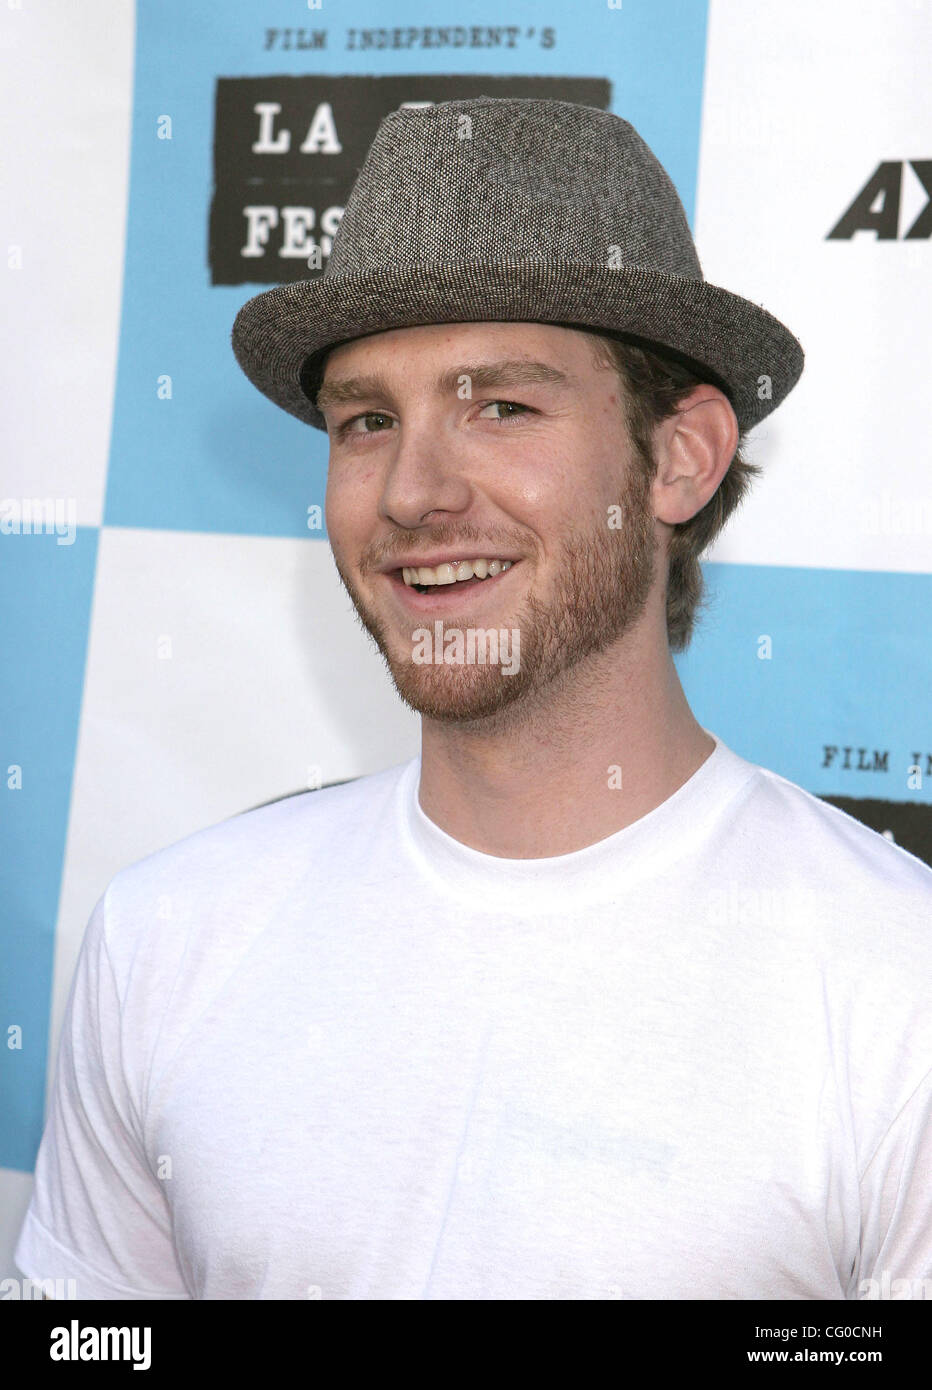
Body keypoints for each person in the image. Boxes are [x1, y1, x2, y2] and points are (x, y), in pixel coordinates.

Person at [15, 99, 932, 1301]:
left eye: (499, 405)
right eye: (366, 420)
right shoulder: (167, 934)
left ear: (676, 458)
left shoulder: (892, 980)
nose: (412, 492)